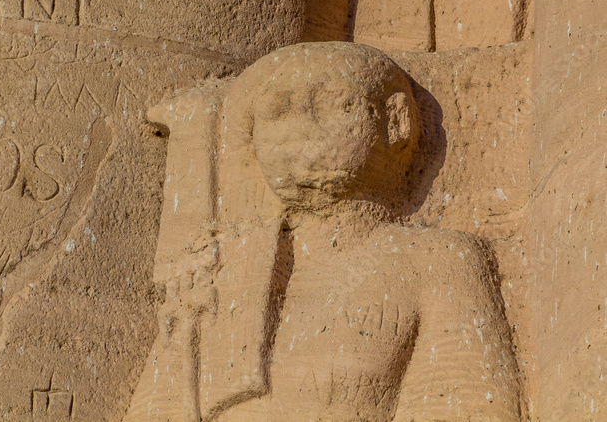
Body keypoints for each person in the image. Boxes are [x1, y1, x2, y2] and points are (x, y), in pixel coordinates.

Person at [126, 42, 521, 421]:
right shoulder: (219, 274)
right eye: (278, 112)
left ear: (395, 121)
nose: (302, 129)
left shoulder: (435, 260)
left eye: (333, 104)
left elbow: (466, 405)